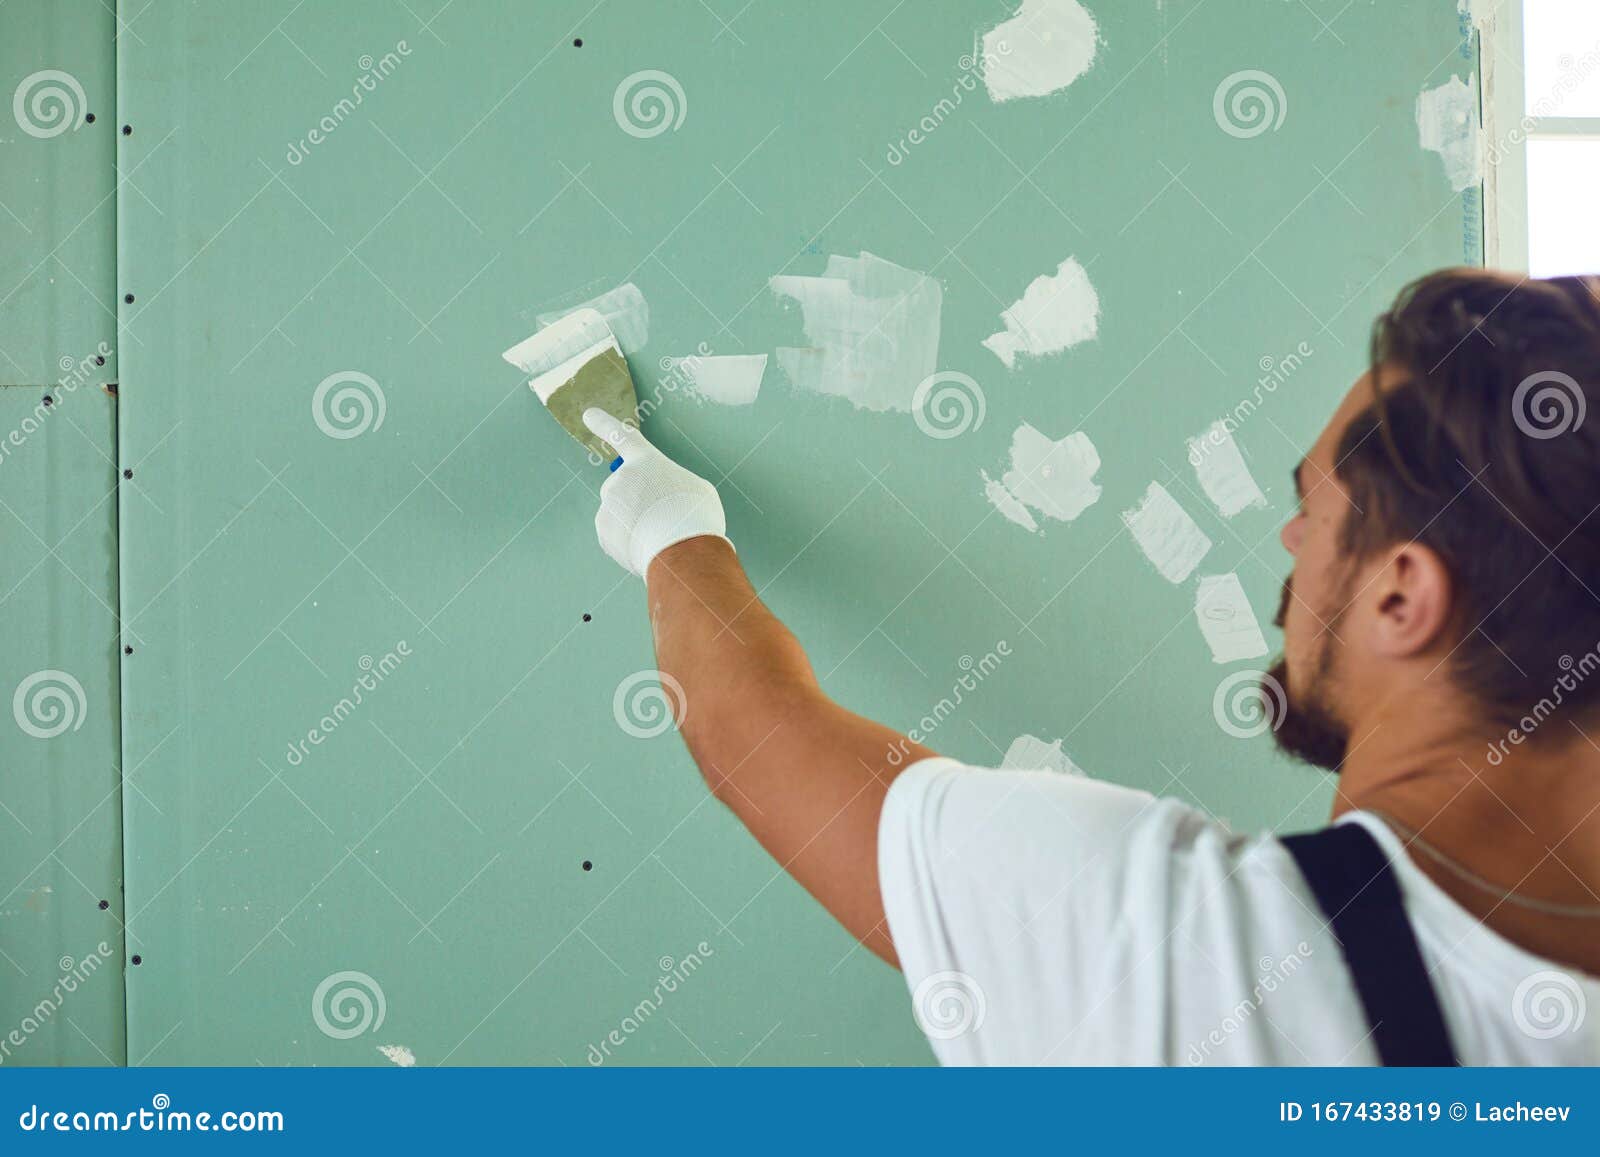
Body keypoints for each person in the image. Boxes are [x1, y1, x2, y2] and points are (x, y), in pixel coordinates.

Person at [578, 268, 1600, 1065]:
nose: (1291, 537)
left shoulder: (1183, 955)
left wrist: (668, 525)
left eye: (1317, 508)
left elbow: (745, 725)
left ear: (1398, 596)